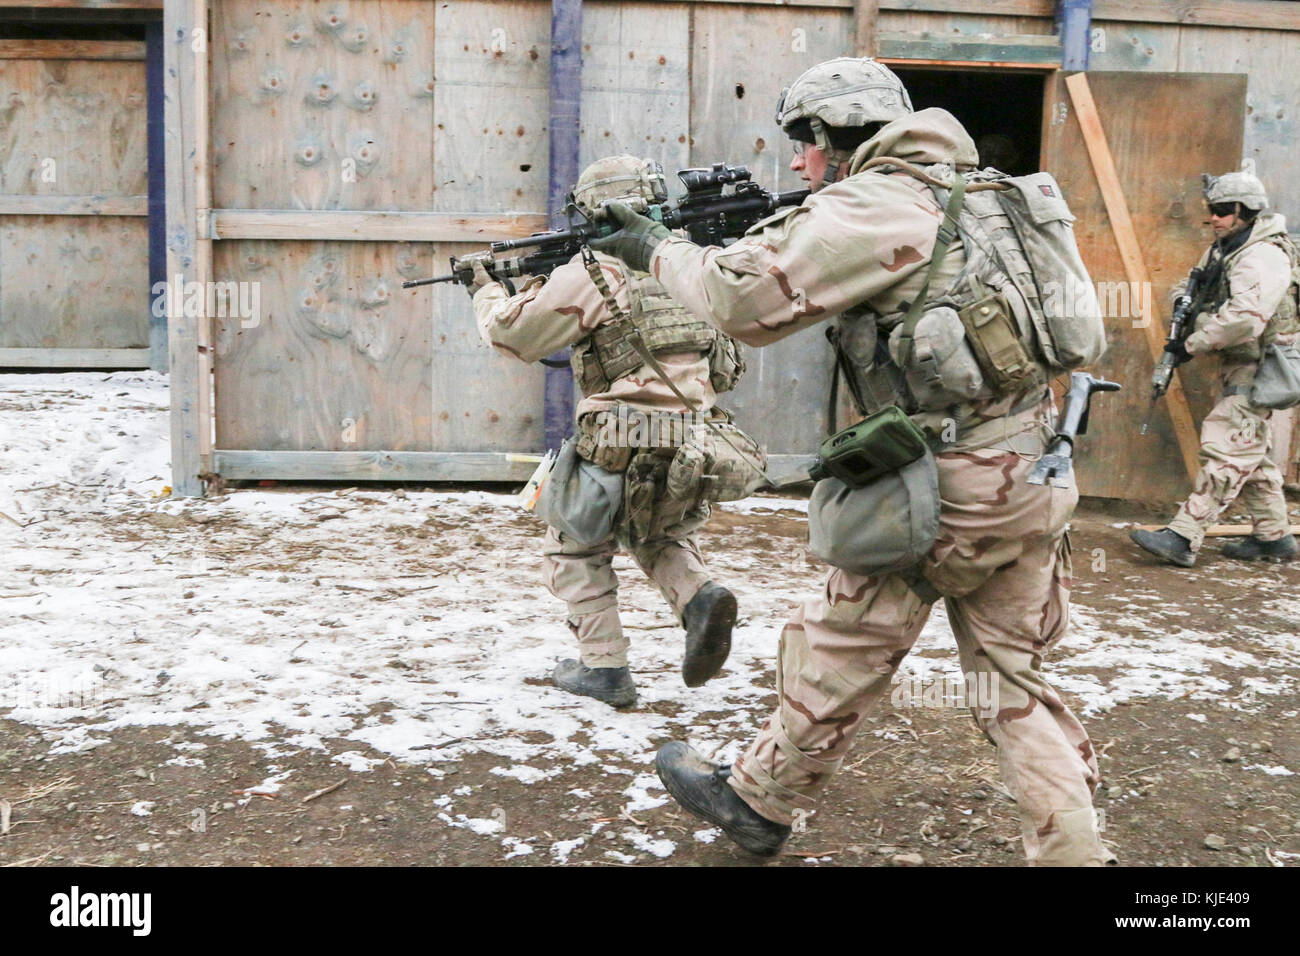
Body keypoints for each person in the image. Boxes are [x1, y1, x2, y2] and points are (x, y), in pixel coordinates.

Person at [590, 57, 1115, 865]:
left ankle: (756, 801)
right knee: (1012, 678)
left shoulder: (877, 202)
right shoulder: (991, 195)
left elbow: (744, 306)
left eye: (804, 142)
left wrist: (656, 249)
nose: (798, 161)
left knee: (839, 644)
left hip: (944, 492)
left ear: (839, 137)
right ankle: (1075, 847)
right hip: (1031, 466)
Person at [472, 155, 763, 709]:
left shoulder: (595, 269)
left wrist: (487, 290)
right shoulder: (690, 262)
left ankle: (603, 668)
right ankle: (701, 599)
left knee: (576, 546)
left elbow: (514, 336)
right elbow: (725, 364)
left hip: (621, 437)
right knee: (658, 532)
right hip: (695, 438)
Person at [1131, 170, 1299, 567]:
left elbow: (1245, 318)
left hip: (1264, 365)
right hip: (1241, 363)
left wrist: (1191, 343)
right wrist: (1182, 307)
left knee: (1228, 445)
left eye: (1225, 211)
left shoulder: (1261, 255)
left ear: (1247, 211)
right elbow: (1194, 286)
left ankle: (1184, 535)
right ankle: (1273, 537)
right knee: (1248, 450)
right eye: (1212, 210)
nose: (1215, 218)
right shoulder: (1227, 247)